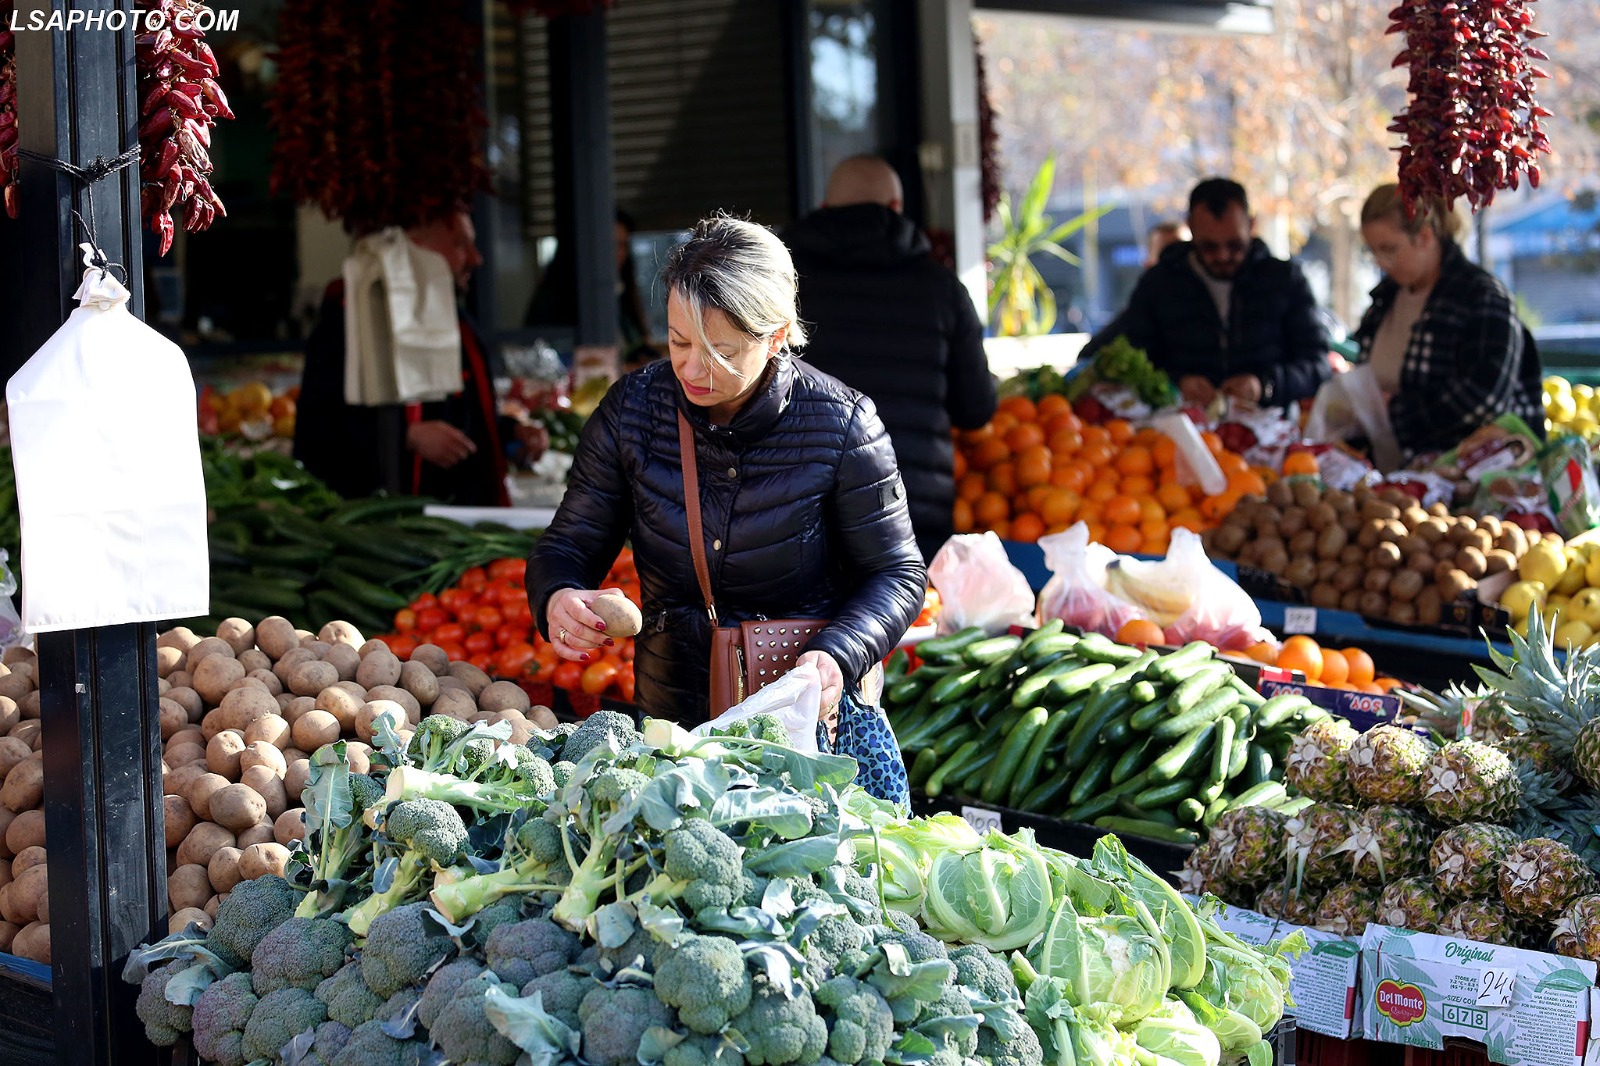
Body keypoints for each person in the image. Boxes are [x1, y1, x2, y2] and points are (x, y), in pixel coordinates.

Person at [526, 214, 927, 726]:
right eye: (678, 342)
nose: (692, 369)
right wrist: (558, 596)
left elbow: (897, 573)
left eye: (720, 352)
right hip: (671, 716)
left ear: (776, 335)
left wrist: (838, 652)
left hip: (794, 716)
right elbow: (568, 544)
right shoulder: (633, 410)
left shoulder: (842, 424)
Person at [783, 154, 995, 561]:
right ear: (897, 209)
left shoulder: (784, 285)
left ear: (824, 208)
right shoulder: (940, 288)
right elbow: (976, 409)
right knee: (922, 622)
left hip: (805, 506)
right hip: (913, 508)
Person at [294, 210, 547, 505]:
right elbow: (318, 435)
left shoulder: (462, 328)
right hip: (385, 526)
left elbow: (463, 423)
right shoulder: (348, 324)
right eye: (459, 245)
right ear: (413, 249)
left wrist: (512, 433)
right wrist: (408, 436)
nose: (476, 259)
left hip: (459, 523)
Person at [1082, 177, 1330, 409]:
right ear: (1190, 229)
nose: (1223, 256)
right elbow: (1127, 358)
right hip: (1181, 428)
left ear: (1251, 225)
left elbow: (1317, 366)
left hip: (1272, 428)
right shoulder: (1160, 284)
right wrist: (1176, 382)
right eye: (1209, 247)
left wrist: (1264, 385)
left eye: (1235, 245)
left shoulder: (1284, 280)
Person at [1353, 183, 1544, 459]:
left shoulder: (1481, 296)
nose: (1381, 262)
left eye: (1389, 249)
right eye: (1373, 252)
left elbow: (1484, 398)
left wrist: (1391, 414)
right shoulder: (1385, 300)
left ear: (1425, 237)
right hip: (1400, 478)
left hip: (1474, 480)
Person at [524, 209, 661, 370]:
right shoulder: (557, 301)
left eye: (623, 245)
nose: (618, 253)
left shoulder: (622, 298)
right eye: (610, 245)